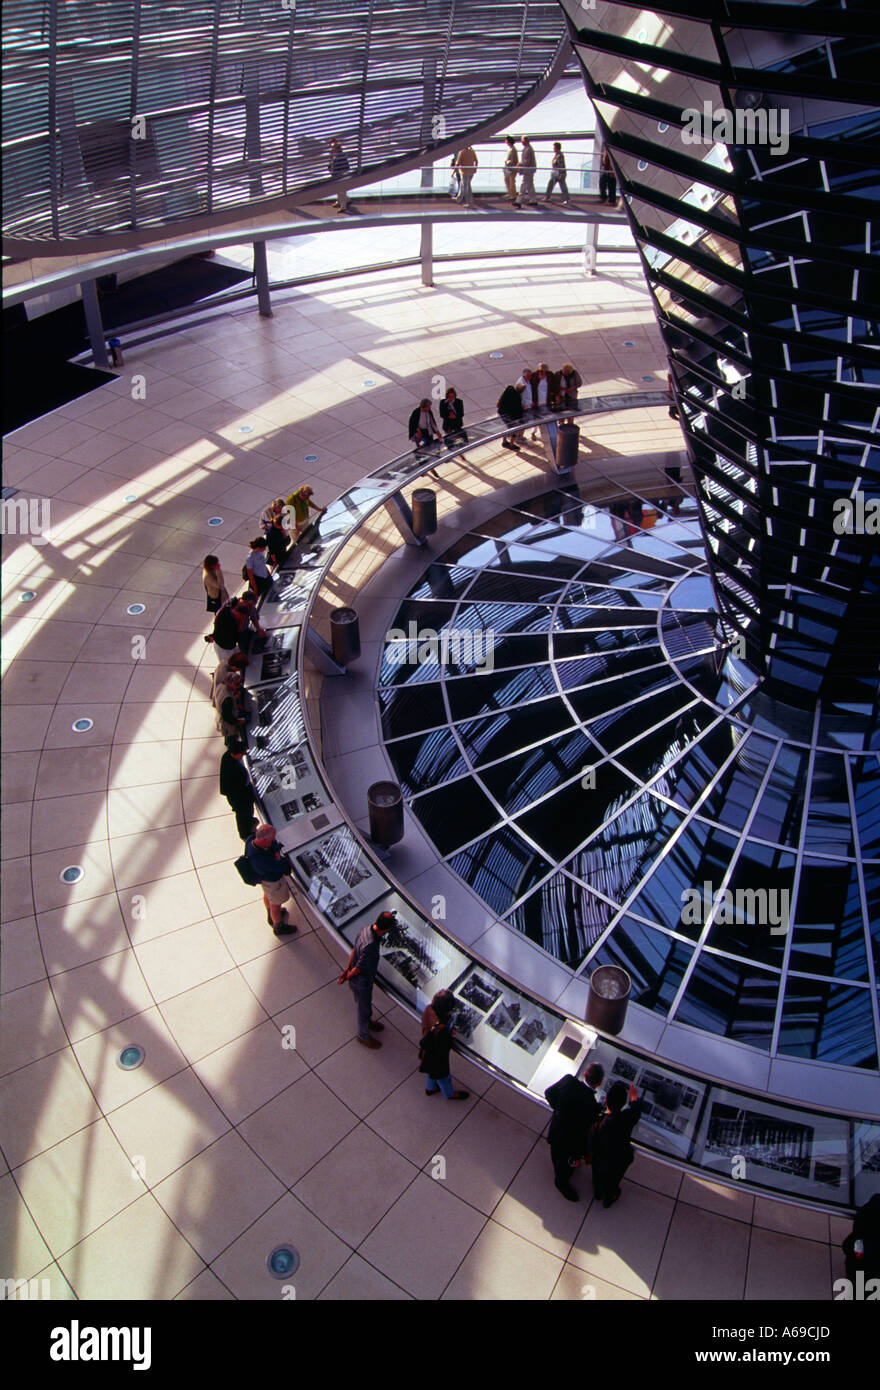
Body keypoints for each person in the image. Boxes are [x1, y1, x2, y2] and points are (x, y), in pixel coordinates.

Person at [545, 1063, 605, 1201]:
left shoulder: (568, 1081)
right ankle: (561, 1182)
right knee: (566, 1166)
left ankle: (560, 1171)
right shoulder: (593, 1107)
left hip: (557, 1132)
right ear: (599, 1083)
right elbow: (588, 1130)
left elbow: (549, 1093)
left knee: (556, 1155)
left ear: (584, 1074)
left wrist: (559, 1110)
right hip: (572, 1145)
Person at [336, 910, 396, 1047]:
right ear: (386, 929)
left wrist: (347, 970)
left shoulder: (366, 929)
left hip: (356, 978)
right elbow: (359, 968)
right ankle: (363, 1036)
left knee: (366, 1004)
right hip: (361, 981)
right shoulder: (371, 946)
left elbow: (354, 950)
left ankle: (368, 1022)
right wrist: (347, 976)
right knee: (362, 1009)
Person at [589, 1080, 643, 1208]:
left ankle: (597, 1193)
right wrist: (634, 1098)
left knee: (597, 1177)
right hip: (620, 1159)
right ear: (624, 1103)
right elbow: (636, 1112)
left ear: (606, 1100)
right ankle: (610, 1197)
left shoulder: (598, 1124)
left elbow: (591, 1146)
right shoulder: (627, 1118)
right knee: (614, 1179)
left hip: (601, 1161)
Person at [244, 823, 297, 935]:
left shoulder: (251, 840)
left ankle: (271, 914)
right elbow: (280, 866)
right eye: (272, 838)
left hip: (267, 883)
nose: (274, 840)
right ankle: (278, 925)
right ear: (264, 841)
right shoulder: (260, 859)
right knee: (275, 903)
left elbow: (274, 845)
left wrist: (276, 853)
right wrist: (281, 860)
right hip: (273, 882)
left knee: (269, 896)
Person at [419, 990, 470, 1100]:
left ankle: (430, 1089)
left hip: (427, 1054)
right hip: (438, 1061)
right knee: (444, 1078)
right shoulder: (441, 1030)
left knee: (430, 1072)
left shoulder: (429, 1008)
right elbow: (444, 1045)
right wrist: (450, 1036)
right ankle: (449, 1094)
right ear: (447, 1011)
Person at [220, 736, 257, 840]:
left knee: (245, 813)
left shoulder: (228, 756)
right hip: (239, 799)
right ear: (236, 753)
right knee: (243, 815)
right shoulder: (232, 768)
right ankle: (247, 833)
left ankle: (249, 828)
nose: (243, 755)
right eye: (243, 753)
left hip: (240, 796)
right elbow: (237, 787)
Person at [213, 669, 249, 737]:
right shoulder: (228, 698)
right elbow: (227, 717)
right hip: (228, 727)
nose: (238, 687)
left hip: (220, 719)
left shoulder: (220, 686)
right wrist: (238, 722)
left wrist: (236, 704)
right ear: (230, 683)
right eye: (237, 684)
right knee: (232, 742)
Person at [497, 383, 524, 451]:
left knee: (505, 428)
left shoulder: (509, 390)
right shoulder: (517, 397)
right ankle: (511, 444)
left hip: (502, 413)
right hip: (510, 416)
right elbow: (518, 410)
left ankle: (504, 441)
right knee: (514, 430)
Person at [329, 138, 350, 212]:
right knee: (338, 190)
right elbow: (331, 163)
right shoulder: (332, 154)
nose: (333, 148)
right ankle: (341, 201)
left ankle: (343, 206)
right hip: (335, 175)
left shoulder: (341, 155)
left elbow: (346, 166)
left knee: (342, 191)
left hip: (340, 175)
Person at [518, 136, 538, 206]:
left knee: (524, 184)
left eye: (522, 141)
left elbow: (526, 162)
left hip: (528, 170)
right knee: (530, 185)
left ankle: (518, 201)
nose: (521, 142)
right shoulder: (529, 148)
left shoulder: (527, 149)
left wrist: (520, 164)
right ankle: (533, 200)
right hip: (531, 169)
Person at [503, 135, 520, 206]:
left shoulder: (513, 149)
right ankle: (510, 193)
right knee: (507, 180)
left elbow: (513, 160)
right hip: (509, 168)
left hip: (512, 168)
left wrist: (507, 162)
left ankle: (513, 195)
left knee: (512, 181)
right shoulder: (510, 149)